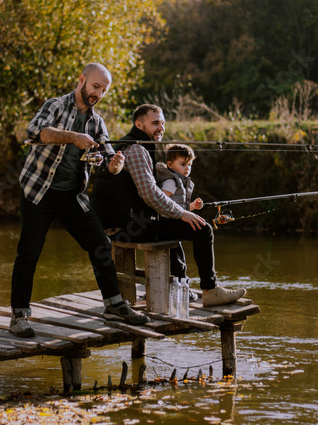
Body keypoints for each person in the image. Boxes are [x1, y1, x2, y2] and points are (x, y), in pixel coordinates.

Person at [9, 63, 150, 338]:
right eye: (96, 86)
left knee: (100, 244)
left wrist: (115, 164)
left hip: (72, 194)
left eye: (104, 90)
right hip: (39, 189)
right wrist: (74, 138)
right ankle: (19, 316)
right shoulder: (56, 106)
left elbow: (109, 162)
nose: (99, 93)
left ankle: (113, 305)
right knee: (29, 252)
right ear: (82, 80)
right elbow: (35, 131)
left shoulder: (97, 123)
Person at [92, 104, 246, 307]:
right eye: (155, 123)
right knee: (203, 229)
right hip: (130, 227)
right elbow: (149, 193)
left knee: (177, 224)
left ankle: (177, 283)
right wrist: (181, 213)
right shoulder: (137, 149)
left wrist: (178, 213)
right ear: (139, 124)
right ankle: (210, 291)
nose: (160, 127)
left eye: (162, 123)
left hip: (125, 224)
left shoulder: (129, 145)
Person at [156, 143, 203, 212]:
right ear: (170, 165)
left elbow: (181, 210)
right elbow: (161, 203)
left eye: (189, 164)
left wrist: (192, 206)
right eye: (183, 164)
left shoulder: (181, 182)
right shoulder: (171, 182)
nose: (187, 168)